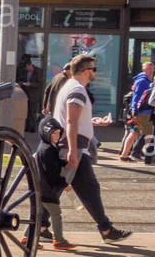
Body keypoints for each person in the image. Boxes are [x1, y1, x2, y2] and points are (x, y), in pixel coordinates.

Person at [54, 54, 129, 243]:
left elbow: (73, 118)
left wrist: (91, 122)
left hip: (76, 145)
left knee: (87, 188)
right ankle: (39, 227)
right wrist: (72, 151)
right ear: (86, 71)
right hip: (74, 146)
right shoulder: (77, 90)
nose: (95, 72)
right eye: (94, 69)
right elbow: (70, 121)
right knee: (56, 188)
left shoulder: (70, 87)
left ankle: (106, 229)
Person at [31, 116, 74, 251]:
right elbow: (51, 172)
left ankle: (28, 238)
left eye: (58, 133)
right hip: (47, 189)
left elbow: (51, 164)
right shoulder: (48, 149)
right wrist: (64, 184)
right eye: (54, 133)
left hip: (41, 188)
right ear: (46, 133)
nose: (57, 136)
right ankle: (59, 240)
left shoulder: (46, 147)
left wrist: (63, 163)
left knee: (37, 215)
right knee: (56, 214)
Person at [119, 61, 154, 162]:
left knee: (135, 133)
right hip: (142, 112)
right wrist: (135, 109)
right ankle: (148, 156)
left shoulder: (144, 80)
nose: (151, 71)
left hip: (141, 111)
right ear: (143, 70)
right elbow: (136, 96)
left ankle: (125, 155)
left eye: (152, 69)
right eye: (149, 69)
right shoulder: (142, 81)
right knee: (143, 133)